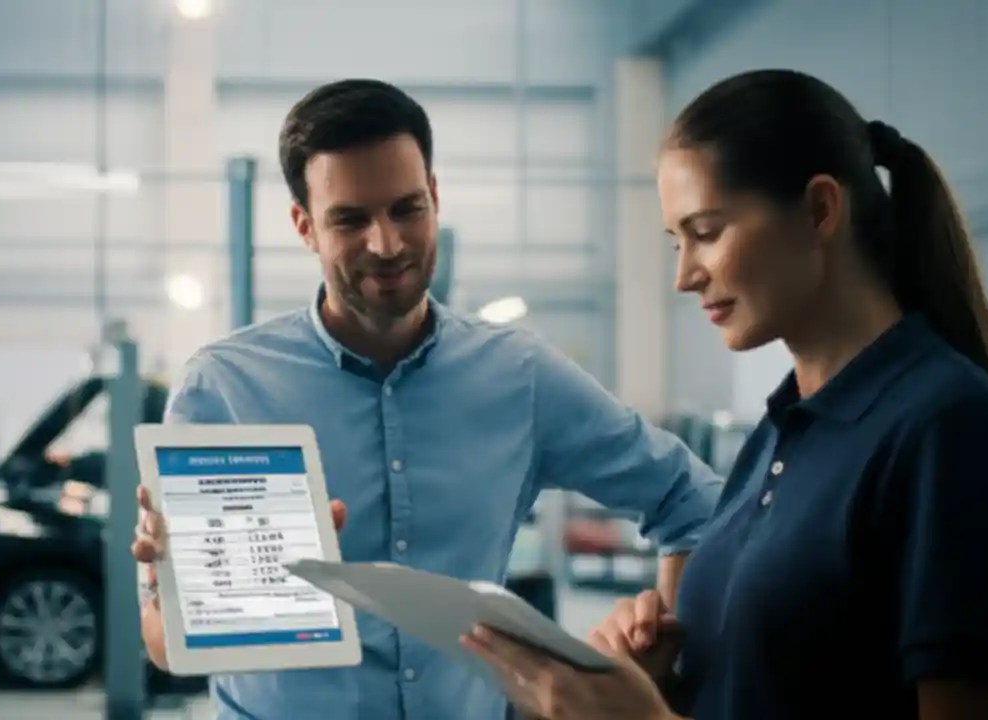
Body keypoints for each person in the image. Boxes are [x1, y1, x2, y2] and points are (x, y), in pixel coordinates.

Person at [463, 68, 988, 720]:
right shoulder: (780, 430)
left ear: (820, 210)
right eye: (676, 241)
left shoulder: (949, 427)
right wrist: (659, 685)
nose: (684, 275)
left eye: (707, 232)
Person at [130, 78, 723, 720]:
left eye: (406, 209)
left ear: (435, 197)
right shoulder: (225, 388)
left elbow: (692, 501)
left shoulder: (519, 376)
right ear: (305, 227)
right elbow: (165, 647)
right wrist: (214, 586)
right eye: (350, 219)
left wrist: (658, 670)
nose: (386, 245)